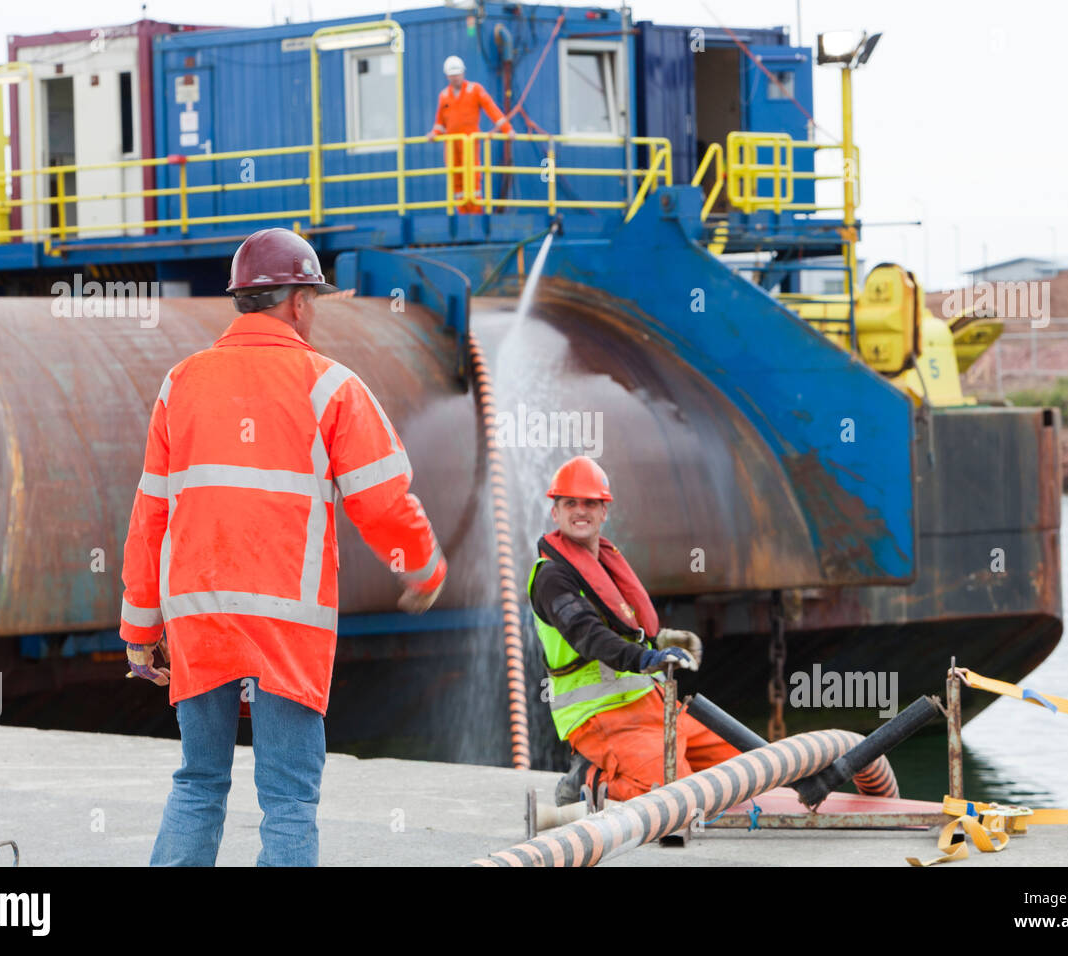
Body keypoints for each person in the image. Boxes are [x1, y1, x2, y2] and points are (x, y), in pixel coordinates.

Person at [120, 227, 447, 866]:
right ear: (297, 302)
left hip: (198, 615)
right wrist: (423, 568)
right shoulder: (330, 386)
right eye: (314, 298)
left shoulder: (180, 383)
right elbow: (380, 500)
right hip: (285, 623)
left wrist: (139, 628)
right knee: (289, 800)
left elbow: (149, 514)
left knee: (198, 780)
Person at [527, 456, 740, 805]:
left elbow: (624, 625)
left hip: (651, 703)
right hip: (601, 716)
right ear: (555, 513)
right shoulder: (551, 577)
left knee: (745, 766)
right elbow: (588, 634)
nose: (581, 511)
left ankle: (633, 769)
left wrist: (662, 639)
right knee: (679, 795)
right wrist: (646, 657)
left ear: (604, 511)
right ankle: (588, 780)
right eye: (570, 503)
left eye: (590, 503)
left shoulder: (605, 564)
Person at [426, 54, 512, 213]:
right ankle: (463, 213)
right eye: (452, 75)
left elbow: (492, 109)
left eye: (457, 74)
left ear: (463, 73)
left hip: (470, 143)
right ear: (447, 76)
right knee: (456, 180)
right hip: (451, 145)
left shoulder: (475, 90)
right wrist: (434, 133)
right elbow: (440, 123)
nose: (455, 78)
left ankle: (476, 213)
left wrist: (508, 129)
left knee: (472, 178)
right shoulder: (444, 96)